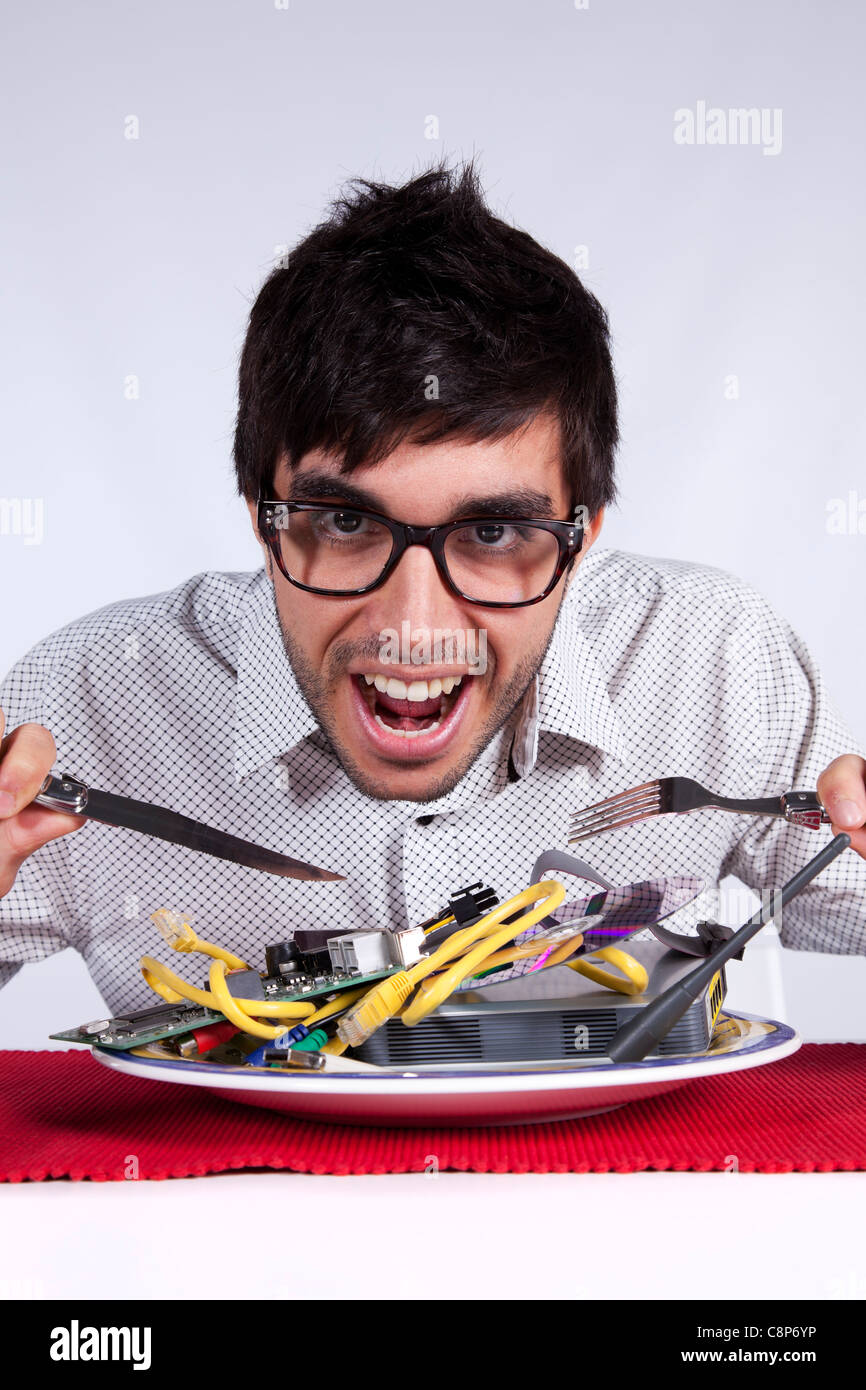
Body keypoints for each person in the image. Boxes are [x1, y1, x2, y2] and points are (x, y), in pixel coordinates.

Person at [1, 159, 864, 1013]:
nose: (414, 627)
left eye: (492, 533)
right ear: (261, 517)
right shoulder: (84, 700)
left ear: (583, 537)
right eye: (345, 523)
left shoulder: (718, 662)